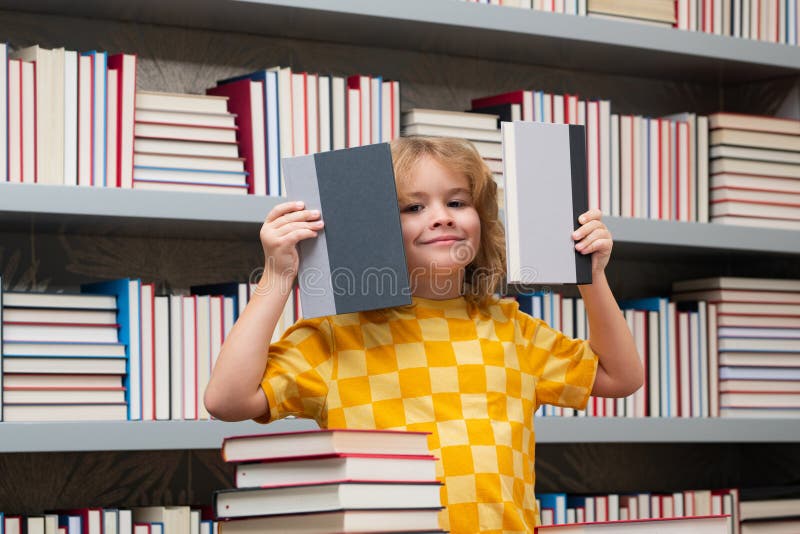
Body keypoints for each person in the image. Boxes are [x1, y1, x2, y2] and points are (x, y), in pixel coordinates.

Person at [204, 136, 643, 533]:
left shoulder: (511, 329)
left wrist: (591, 275)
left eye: (457, 202)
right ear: (371, 229)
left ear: (482, 219)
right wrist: (278, 276)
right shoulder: (336, 338)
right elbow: (227, 400)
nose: (440, 218)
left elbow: (620, 377)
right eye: (413, 207)